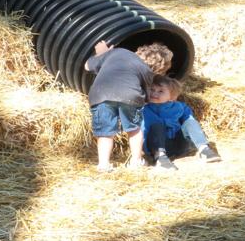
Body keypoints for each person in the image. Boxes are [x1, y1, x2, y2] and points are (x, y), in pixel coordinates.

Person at [84, 40, 175, 171]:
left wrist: (102, 54)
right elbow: (146, 94)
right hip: (130, 96)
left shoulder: (117, 52)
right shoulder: (148, 72)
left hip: (101, 95)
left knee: (105, 133)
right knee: (134, 129)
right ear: (159, 69)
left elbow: (87, 66)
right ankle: (136, 161)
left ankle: (103, 164)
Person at [141, 77, 221, 171]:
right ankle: (160, 159)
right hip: (157, 146)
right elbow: (143, 130)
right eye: (152, 89)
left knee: (190, 121)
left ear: (172, 97)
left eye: (161, 91)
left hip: (178, 143)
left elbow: (189, 122)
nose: (154, 93)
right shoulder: (145, 109)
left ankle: (204, 149)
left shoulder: (179, 107)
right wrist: (145, 151)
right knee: (157, 126)